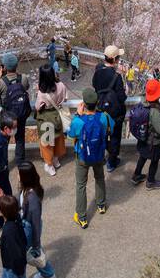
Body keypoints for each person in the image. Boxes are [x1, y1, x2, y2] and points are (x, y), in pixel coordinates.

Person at [67, 88, 112, 229]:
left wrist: (77, 115)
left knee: (81, 185)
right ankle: (101, 205)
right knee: (99, 178)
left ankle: (82, 217)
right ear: (97, 102)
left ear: (84, 104)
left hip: (82, 157)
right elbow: (111, 128)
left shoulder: (79, 121)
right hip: (98, 154)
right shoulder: (104, 117)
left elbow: (71, 134)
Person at [90, 44, 128, 172]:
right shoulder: (116, 76)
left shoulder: (97, 73)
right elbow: (122, 97)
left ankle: (106, 156)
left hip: (101, 109)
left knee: (104, 134)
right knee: (115, 136)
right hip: (115, 113)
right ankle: (112, 161)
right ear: (115, 59)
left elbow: (96, 88)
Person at [17, 162, 56, 278]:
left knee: (26, 255)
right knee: (31, 253)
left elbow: (35, 223)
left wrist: (36, 243)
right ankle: (48, 274)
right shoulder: (27, 189)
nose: (17, 176)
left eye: (19, 174)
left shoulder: (32, 198)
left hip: (28, 228)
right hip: (26, 226)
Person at [130, 77, 160, 190]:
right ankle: (151, 181)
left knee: (143, 156)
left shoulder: (145, 102)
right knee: (154, 160)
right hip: (153, 141)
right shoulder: (154, 112)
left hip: (143, 138)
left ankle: (136, 176)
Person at [0, 53, 31, 165]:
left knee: (5, 139)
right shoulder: (23, 78)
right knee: (20, 138)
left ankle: (4, 162)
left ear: (4, 67)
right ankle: (20, 162)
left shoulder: (1, 82)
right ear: (16, 65)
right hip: (21, 114)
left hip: (7, 116)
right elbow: (27, 87)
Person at [34, 63, 68, 176]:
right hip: (57, 116)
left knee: (47, 142)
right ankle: (56, 160)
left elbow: (38, 107)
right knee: (58, 139)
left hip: (46, 118)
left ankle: (49, 165)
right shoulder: (61, 85)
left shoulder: (42, 93)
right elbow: (65, 98)